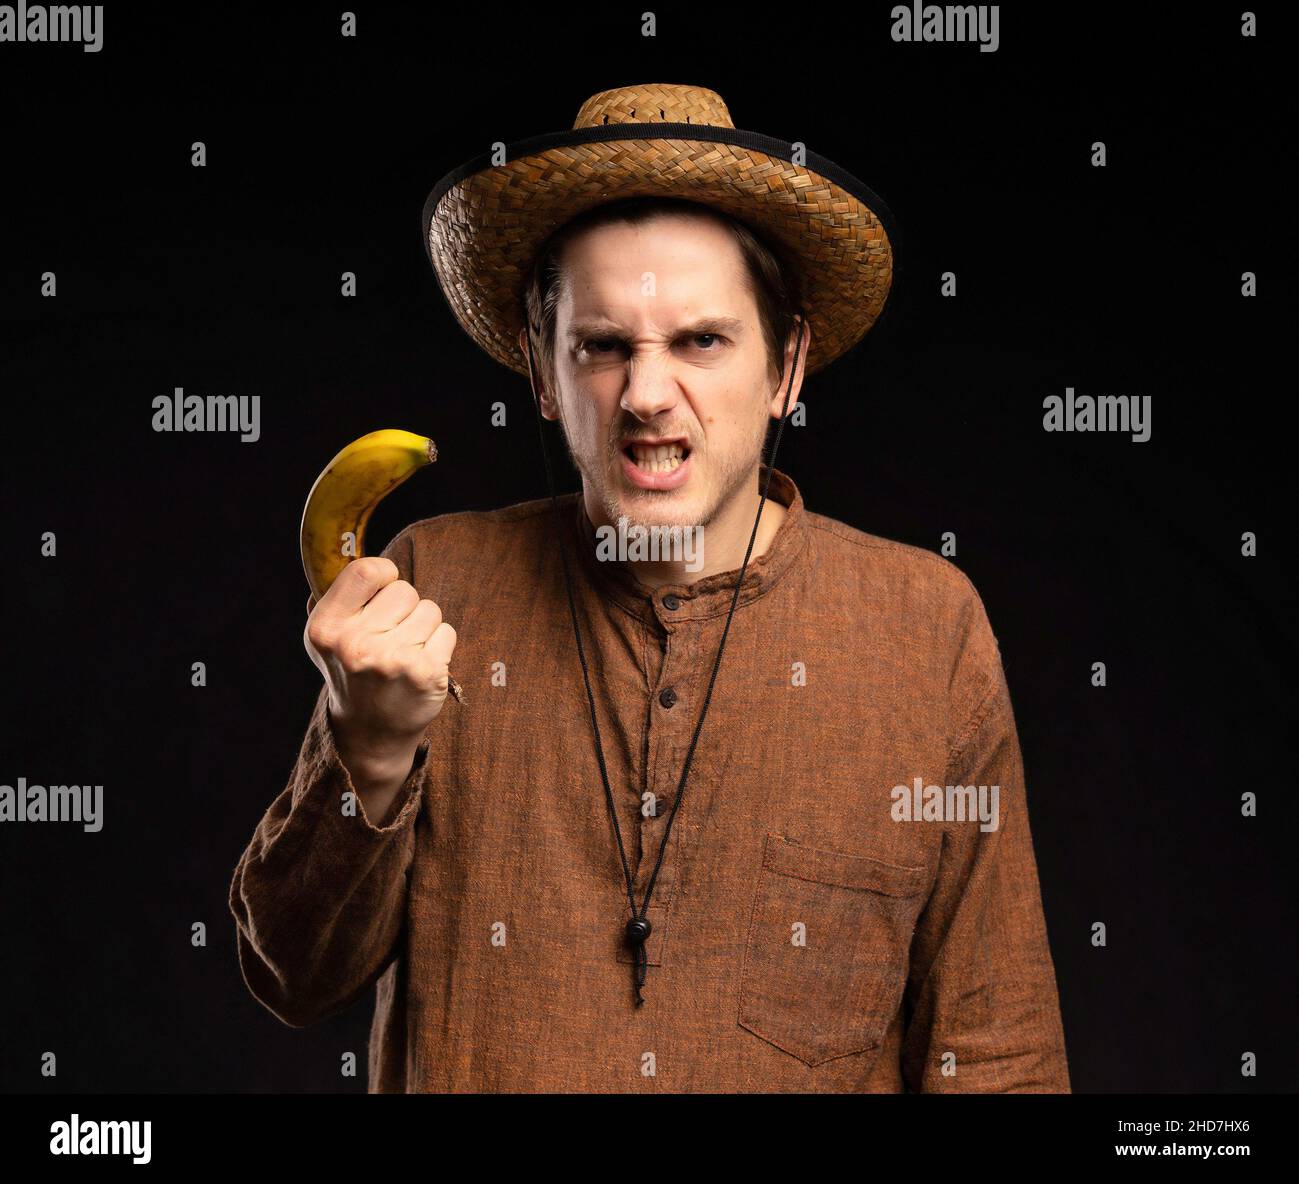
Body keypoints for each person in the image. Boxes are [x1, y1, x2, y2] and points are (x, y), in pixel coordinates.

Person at [229, 82, 1071, 1092]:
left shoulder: (926, 631)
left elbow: (996, 1054)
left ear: (787, 365)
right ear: (542, 369)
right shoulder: (427, 587)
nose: (644, 392)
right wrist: (364, 744)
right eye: (602, 345)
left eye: (701, 341)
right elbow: (290, 974)